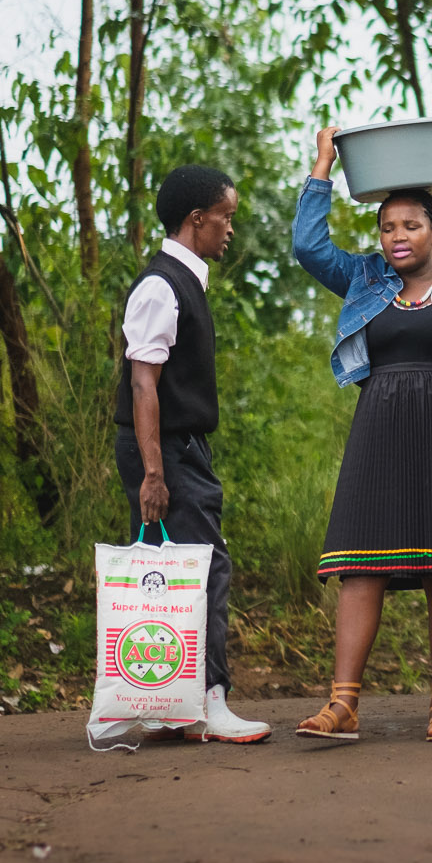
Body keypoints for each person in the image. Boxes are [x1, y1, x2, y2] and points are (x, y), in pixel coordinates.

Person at [290, 131, 432, 741]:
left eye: (410, 225)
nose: (396, 236)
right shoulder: (364, 280)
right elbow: (307, 245)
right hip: (379, 428)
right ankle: (343, 704)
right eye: (386, 227)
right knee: (360, 566)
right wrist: (323, 165)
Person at [114, 164, 269, 743]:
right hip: (165, 449)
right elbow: (142, 384)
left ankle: (168, 704)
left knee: (170, 569)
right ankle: (208, 702)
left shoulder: (185, 279)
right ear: (196, 219)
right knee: (203, 567)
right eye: (225, 218)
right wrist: (155, 472)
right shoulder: (160, 284)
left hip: (175, 445)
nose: (230, 228)